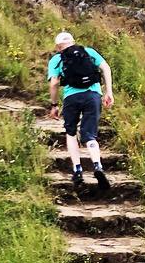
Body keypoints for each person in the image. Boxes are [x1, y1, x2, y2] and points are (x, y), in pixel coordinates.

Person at [47, 31, 114, 193]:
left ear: (58, 47)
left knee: (71, 133)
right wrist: (109, 92)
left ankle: (77, 170)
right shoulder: (89, 52)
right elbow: (106, 68)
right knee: (90, 134)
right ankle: (97, 165)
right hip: (93, 96)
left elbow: (54, 83)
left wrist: (54, 104)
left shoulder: (56, 59)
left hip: (71, 98)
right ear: (73, 41)